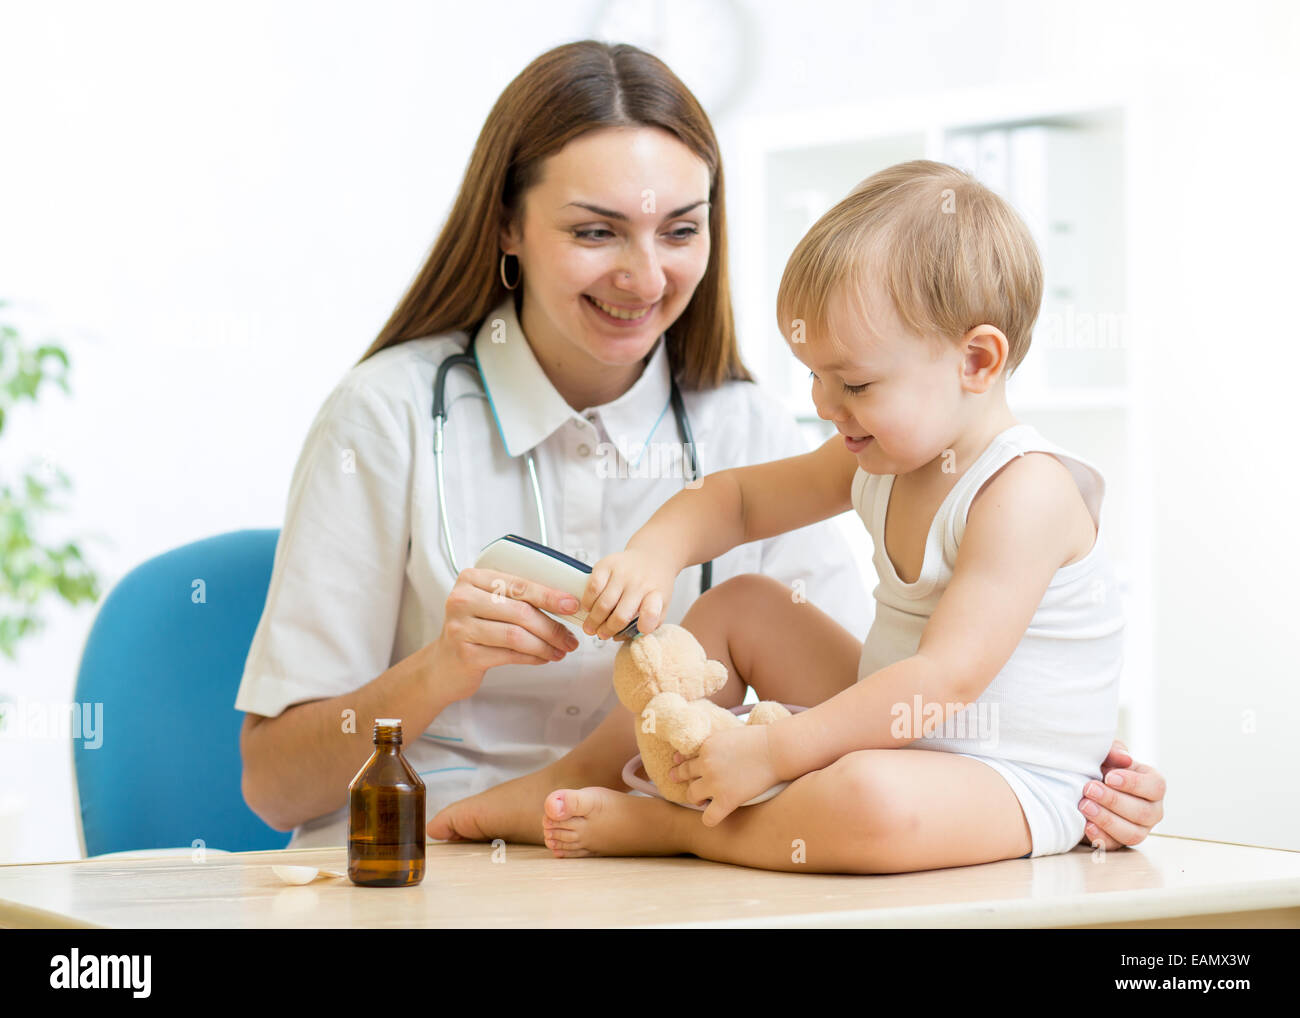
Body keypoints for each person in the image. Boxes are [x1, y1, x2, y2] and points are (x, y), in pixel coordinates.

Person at [236, 42, 1165, 856]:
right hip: (434, 856)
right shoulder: (386, 416)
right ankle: (563, 794)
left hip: (696, 847)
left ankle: (643, 820)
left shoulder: (796, 426)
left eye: (680, 229)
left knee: (864, 786)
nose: (645, 276)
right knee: (746, 615)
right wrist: (446, 665)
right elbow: (274, 788)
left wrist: (1072, 768)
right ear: (508, 226)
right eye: (595, 231)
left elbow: (883, 704)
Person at [545, 160, 1154, 871]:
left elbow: (943, 679)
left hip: (1008, 777)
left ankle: (678, 827)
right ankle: (602, 776)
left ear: (977, 361)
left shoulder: (1025, 494)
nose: (825, 405)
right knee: (744, 604)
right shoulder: (884, 452)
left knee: (871, 800)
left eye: (856, 383)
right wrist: (656, 551)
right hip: (898, 728)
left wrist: (776, 750)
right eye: (815, 375)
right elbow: (739, 501)